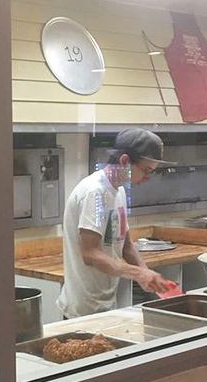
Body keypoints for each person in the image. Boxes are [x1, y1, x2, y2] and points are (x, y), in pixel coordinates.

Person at [58, 128, 174, 319]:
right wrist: (138, 274)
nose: (147, 178)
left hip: (106, 304)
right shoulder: (95, 193)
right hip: (83, 310)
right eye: (146, 170)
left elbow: (126, 246)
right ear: (125, 161)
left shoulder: (118, 190)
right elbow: (90, 254)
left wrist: (149, 276)